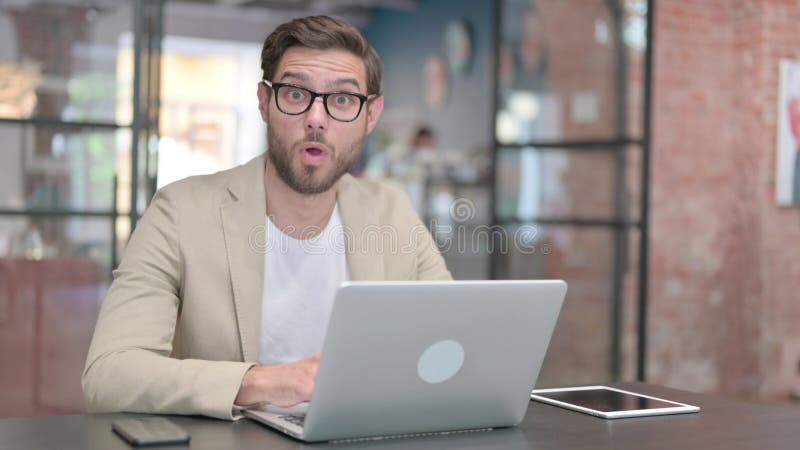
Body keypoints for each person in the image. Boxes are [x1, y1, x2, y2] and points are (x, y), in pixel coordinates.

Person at [82, 15, 451, 420]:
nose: (316, 118)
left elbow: (451, 341)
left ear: (371, 115)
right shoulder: (179, 212)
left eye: (342, 100)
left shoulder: (390, 211)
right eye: (295, 94)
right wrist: (266, 382)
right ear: (264, 101)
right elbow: (109, 373)